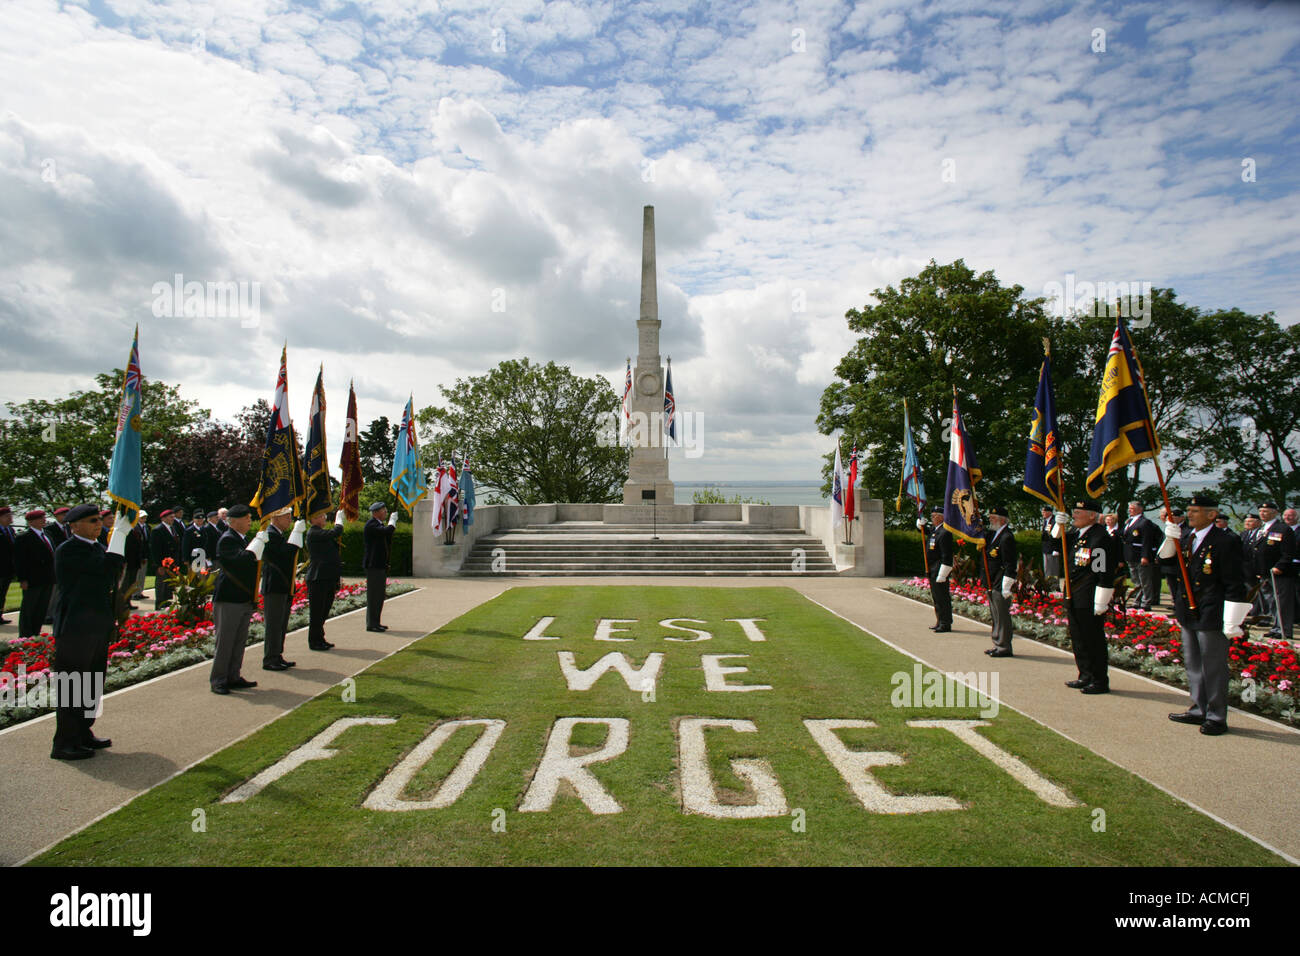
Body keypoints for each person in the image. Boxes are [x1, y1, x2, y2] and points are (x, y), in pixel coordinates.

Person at [1161, 495, 1250, 736]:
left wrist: (1232, 618)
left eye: (1196, 511)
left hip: (1211, 610)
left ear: (1212, 514)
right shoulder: (1188, 537)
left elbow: (1234, 581)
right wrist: (1170, 538)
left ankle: (1217, 716)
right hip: (1189, 609)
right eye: (1189, 511)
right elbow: (1166, 562)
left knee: (1213, 666)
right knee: (1193, 664)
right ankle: (1199, 707)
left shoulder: (1225, 541)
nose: (1189, 515)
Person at [49, 504, 127, 760]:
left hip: (95, 625)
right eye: (92, 520)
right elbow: (106, 571)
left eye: (98, 520)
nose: (98, 524)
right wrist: (118, 538)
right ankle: (64, 741)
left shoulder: (95, 547)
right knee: (72, 684)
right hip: (76, 627)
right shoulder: (69, 550)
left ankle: (83, 732)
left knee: (92, 682)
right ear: (74, 526)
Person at [1056, 498, 1120, 694]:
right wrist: (1057, 527)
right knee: (1078, 638)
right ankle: (1085, 674)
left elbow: (1102, 571)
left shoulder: (1099, 537)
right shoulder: (1078, 535)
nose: (1074, 515)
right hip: (1074, 593)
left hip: (1089, 595)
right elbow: (1054, 544)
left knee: (1093, 640)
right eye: (1074, 511)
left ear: (1093, 515)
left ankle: (1099, 680)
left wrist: (1101, 599)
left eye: (1079, 512)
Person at [210, 505, 264, 695]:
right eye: (246, 518)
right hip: (229, 598)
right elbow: (242, 560)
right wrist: (257, 544)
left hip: (242, 597)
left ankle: (233, 676)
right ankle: (218, 679)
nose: (250, 521)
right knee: (225, 641)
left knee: (239, 641)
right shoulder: (227, 540)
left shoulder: (242, 539)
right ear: (234, 521)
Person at [260, 508, 305, 671]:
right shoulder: (270, 534)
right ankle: (270, 658)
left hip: (283, 585)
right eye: (286, 517)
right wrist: (296, 533)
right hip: (274, 586)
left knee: (281, 623)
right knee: (274, 624)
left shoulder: (278, 534)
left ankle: (277, 655)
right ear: (276, 518)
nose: (289, 520)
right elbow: (285, 554)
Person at [1252, 501, 1295, 640]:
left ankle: (1284, 629)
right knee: (1271, 602)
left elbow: (1288, 552)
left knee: (1282, 602)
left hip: (1279, 573)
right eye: (1260, 511)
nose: (1262, 514)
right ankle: (1276, 627)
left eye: (1266, 511)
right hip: (1265, 572)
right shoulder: (1262, 528)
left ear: (1274, 512)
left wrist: (1280, 566)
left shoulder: (1283, 529)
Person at [306, 509, 346, 650]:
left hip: (327, 577)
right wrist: (339, 521)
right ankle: (314, 641)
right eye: (322, 516)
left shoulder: (320, 533)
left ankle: (320, 638)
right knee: (317, 612)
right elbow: (335, 532)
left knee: (323, 611)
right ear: (315, 518)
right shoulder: (314, 532)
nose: (325, 518)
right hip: (318, 578)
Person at [981, 506, 1017, 657]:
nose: (990, 519)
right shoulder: (994, 535)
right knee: (996, 614)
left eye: (993, 517)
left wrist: (1007, 585)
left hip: (1000, 581)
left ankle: (1004, 646)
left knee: (1002, 615)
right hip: (992, 580)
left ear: (1003, 520)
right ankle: (997, 643)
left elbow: (1010, 562)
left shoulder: (1006, 537)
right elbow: (980, 533)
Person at [16, 509, 56, 638]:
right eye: (40, 518)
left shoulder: (48, 534)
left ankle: (35, 633)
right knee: (29, 608)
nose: (44, 520)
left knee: (41, 608)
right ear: (31, 522)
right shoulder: (24, 538)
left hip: (48, 578)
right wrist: (23, 579)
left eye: (44, 518)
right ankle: (25, 635)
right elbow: (19, 560)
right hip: (33, 579)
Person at [363, 502, 399, 632]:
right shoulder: (371, 525)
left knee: (379, 596)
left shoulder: (378, 524)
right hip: (374, 565)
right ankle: (372, 623)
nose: (385, 512)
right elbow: (387, 532)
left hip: (380, 565)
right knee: (374, 596)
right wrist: (392, 521)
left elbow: (388, 535)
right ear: (375, 512)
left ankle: (376, 622)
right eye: (383, 510)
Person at [917, 508, 953, 633]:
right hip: (932, 568)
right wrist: (920, 526)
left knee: (942, 597)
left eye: (934, 516)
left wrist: (943, 573)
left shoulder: (945, 532)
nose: (932, 518)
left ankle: (945, 623)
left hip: (939, 569)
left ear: (941, 517)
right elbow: (927, 532)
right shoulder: (935, 530)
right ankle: (939, 620)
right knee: (936, 597)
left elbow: (946, 555)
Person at [1121, 502, 1159, 610]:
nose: (1130, 510)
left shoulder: (1144, 522)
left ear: (1140, 509)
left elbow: (1147, 540)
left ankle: (1146, 602)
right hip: (1130, 554)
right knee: (1136, 580)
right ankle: (1137, 601)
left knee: (1144, 580)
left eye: (1132, 508)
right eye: (1129, 508)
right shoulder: (1129, 521)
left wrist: (1145, 556)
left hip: (1139, 554)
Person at [149, 509, 181, 610]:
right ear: (163, 518)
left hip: (172, 562)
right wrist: (159, 565)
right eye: (170, 517)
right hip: (163, 563)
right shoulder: (158, 530)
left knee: (170, 585)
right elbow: (155, 550)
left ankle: (168, 604)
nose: (173, 519)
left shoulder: (173, 528)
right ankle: (160, 606)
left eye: (173, 517)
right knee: (162, 585)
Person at [0, 506, 15, 625]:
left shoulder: (10, 530)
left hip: (8, 568)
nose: (10, 518)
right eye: (7, 516)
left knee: (3, 593)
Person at [1040, 506, 1061, 582]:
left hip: (1053, 549)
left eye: (1044, 512)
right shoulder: (1045, 521)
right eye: (1042, 512)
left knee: (1053, 569)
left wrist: (1056, 549)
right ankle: (1048, 585)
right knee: (1047, 569)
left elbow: (1057, 535)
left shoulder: (1055, 521)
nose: (1043, 513)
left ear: (1050, 512)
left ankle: (1054, 585)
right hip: (1046, 548)